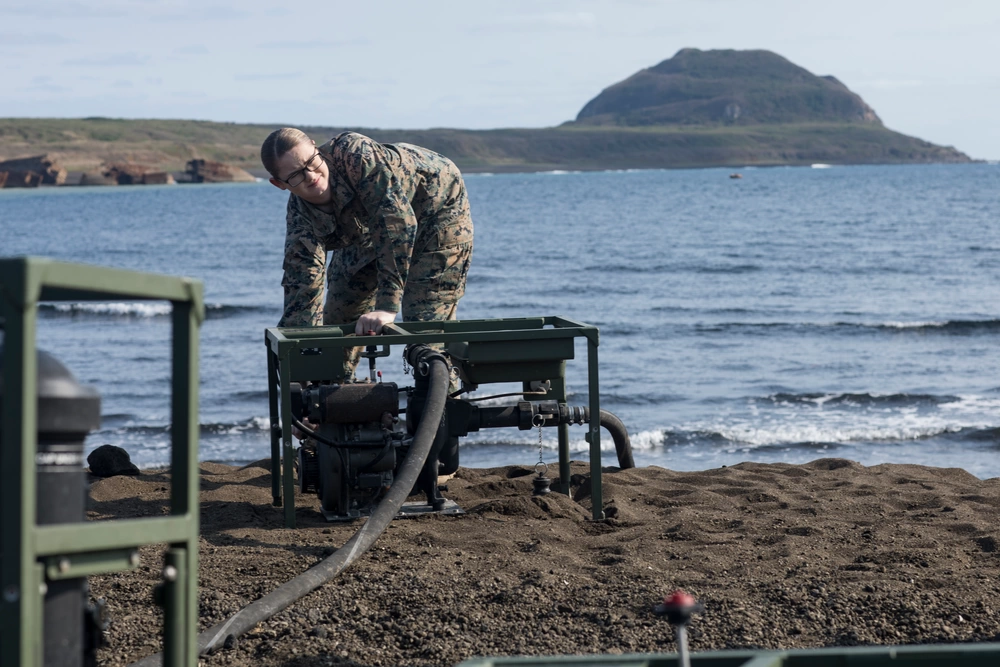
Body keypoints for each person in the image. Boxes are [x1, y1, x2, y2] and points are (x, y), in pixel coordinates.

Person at [261, 128, 474, 380]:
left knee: (424, 330)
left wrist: (386, 307)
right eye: (296, 175)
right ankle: (332, 400)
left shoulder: (355, 154)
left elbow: (396, 223)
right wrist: (296, 358)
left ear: (316, 148)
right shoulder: (301, 220)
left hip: (437, 209)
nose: (311, 176)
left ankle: (440, 409)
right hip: (370, 225)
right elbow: (302, 286)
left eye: (311, 161)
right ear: (279, 184)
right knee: (339, 315)